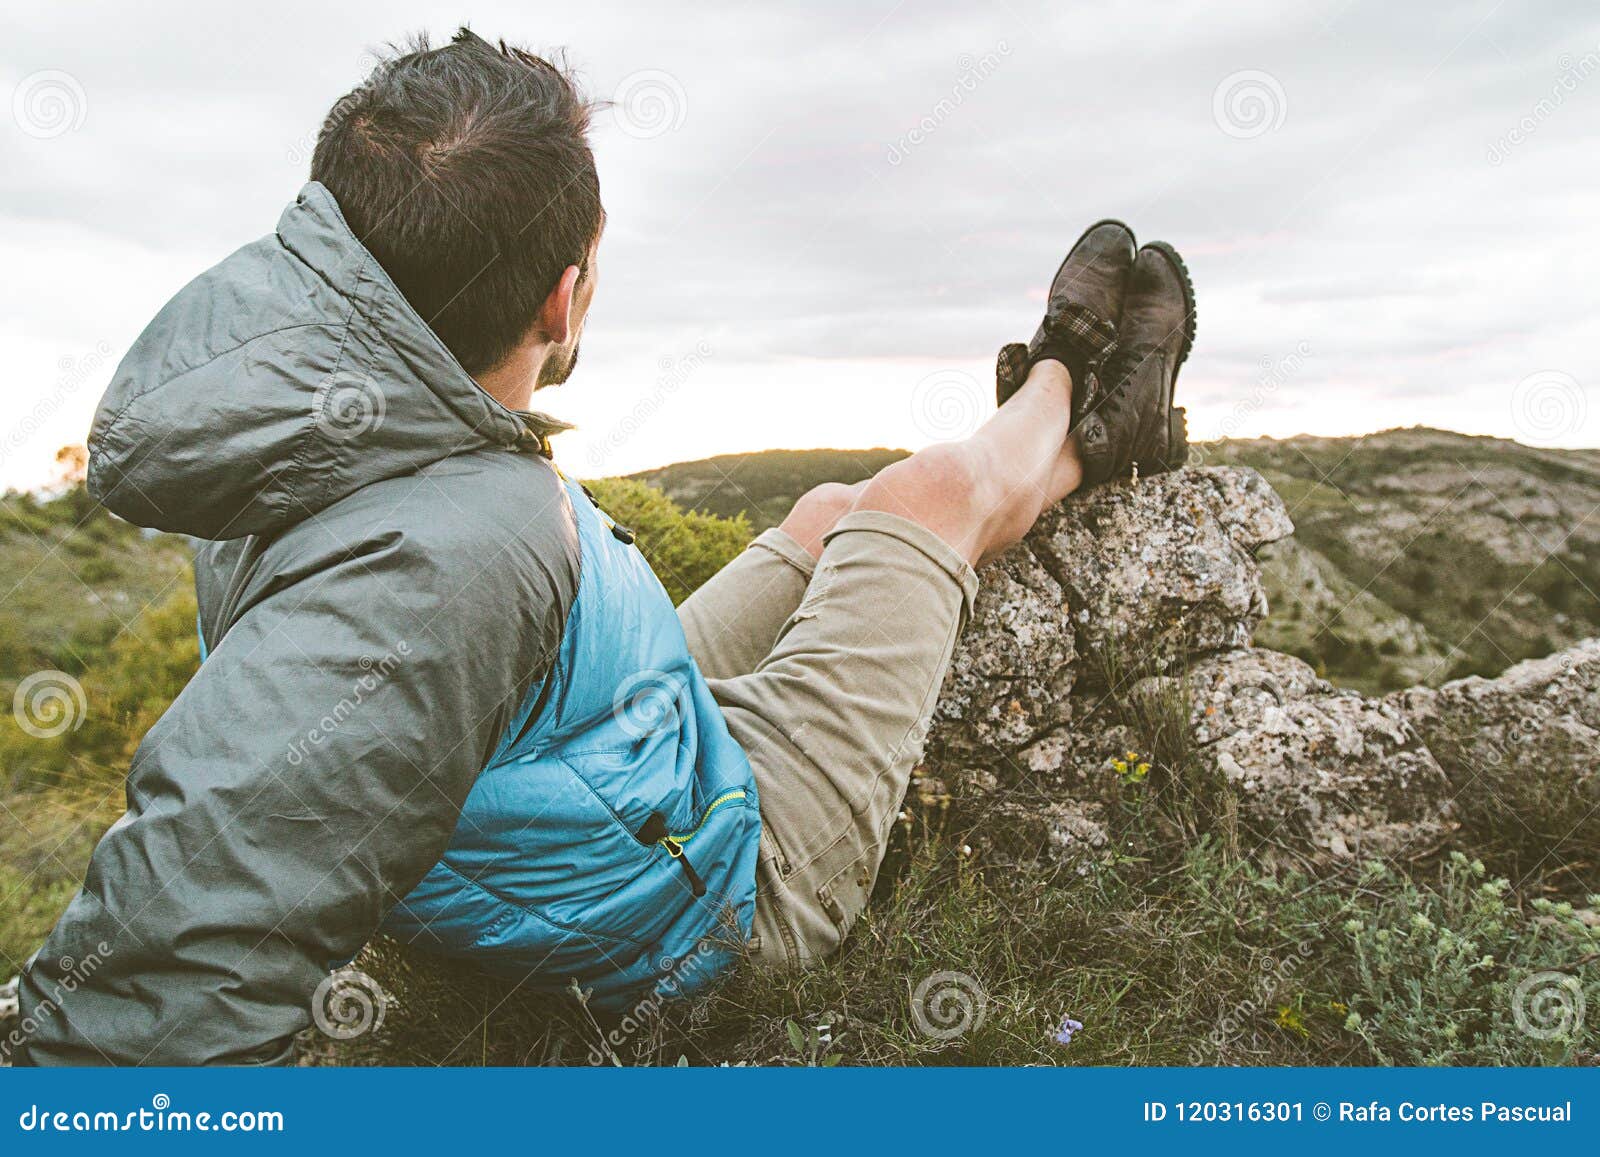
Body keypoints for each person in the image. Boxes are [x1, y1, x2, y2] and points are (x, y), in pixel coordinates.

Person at [14, 29, 1192, 1065]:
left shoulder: (283, 412)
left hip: (583, 762)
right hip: (711, 903)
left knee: (831, 511)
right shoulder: (450, 567)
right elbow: (158, 991)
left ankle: (1069, 408)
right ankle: (1074, 396)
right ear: (566, 298)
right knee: (922, 496)